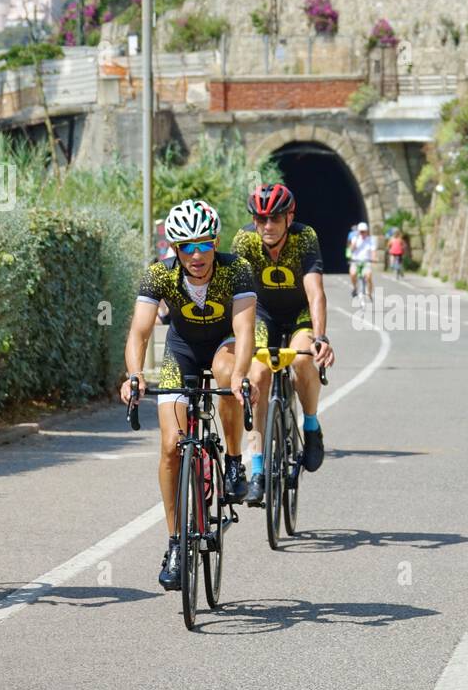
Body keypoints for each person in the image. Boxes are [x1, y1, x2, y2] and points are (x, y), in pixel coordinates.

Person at [119, 199, 256, 591]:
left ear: (215, 242)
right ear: (174, 249)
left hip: (223, 344)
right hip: (180, 352)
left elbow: (245, 330)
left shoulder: (236, 270)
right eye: (186, 246)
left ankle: (232, 461)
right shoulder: (159, 276)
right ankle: (176, 542)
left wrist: (243, 375)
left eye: (203, 244)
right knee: (169, 447)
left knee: (229, 377)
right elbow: (139, 333)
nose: (196, 255)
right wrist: (134, 374)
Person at [231, 183, 336, 506]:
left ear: (289, 218)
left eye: (274, 218)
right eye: (260, 219)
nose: (267, 226)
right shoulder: (245, 241)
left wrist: (320, 337)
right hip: (262, 315)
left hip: (299, 313)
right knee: (258, 375)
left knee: (303, 360)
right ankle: (259, 469)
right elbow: (236, 295)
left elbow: (315, 291)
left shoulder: (305, 238)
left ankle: (311, 425)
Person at [348, 221, 376, 305]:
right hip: (356, 260)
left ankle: (369, 293)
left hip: (366, 261)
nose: (363, 233)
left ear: (367, 231)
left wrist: (374, 258)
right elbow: (352, 249)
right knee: (353, 274)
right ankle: (354, 287)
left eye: (364, 231)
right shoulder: (355, 238)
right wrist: (356, 239)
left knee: (369, 277)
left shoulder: (370, 240)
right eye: (361, 231)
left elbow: (373, 251)